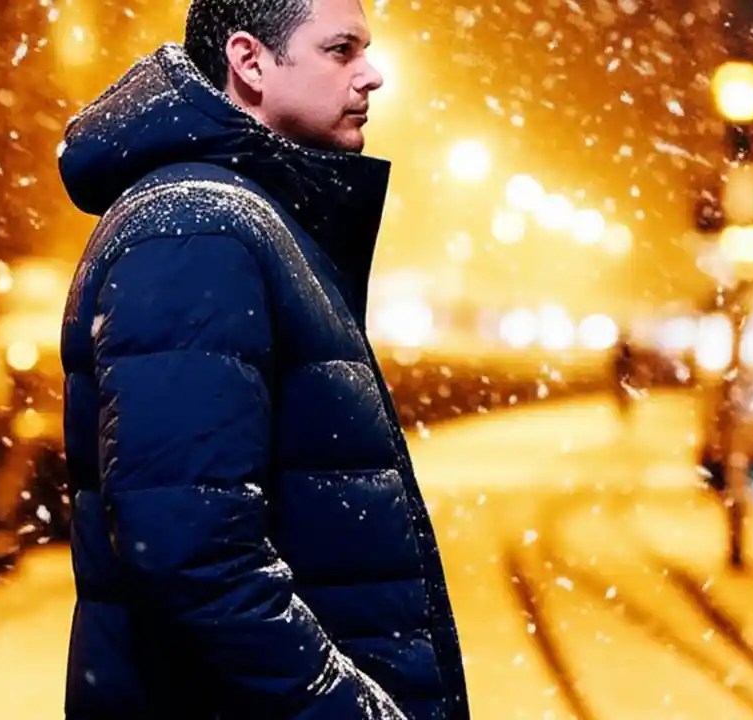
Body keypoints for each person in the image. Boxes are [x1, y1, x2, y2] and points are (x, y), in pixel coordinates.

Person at [55, 0, 469, 718]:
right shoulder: (197, 231)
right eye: (341, 50)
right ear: (249, 62)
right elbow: (190, 554)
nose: (372, 75)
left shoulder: (243, 220)